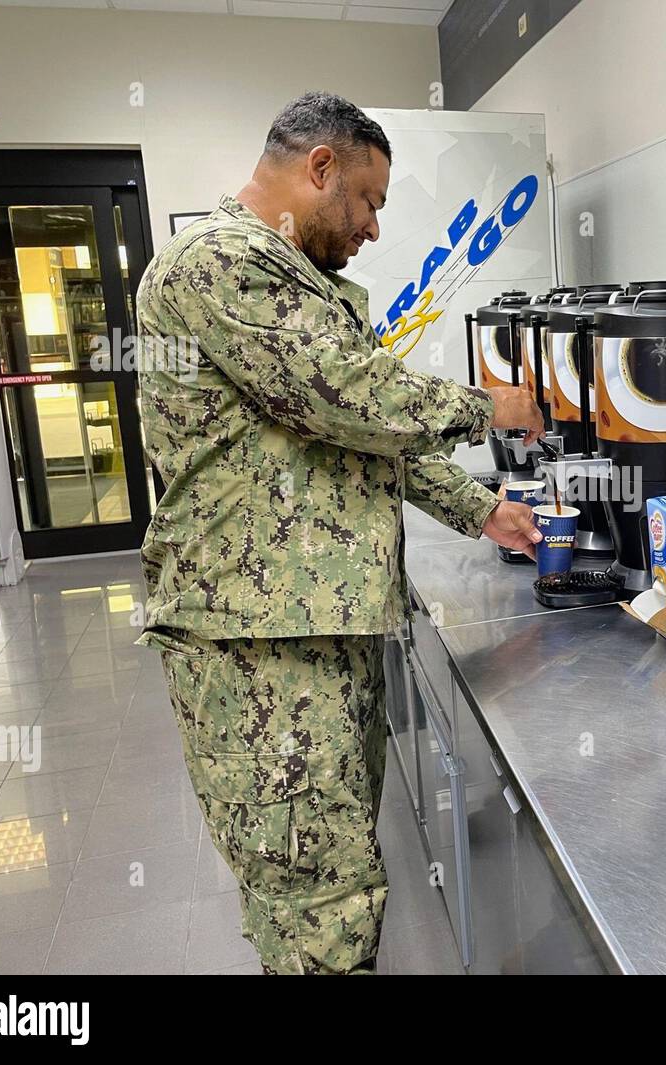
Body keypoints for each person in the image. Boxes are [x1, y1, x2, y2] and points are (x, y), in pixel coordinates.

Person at [134, 91, 545, 974]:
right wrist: (488, 406)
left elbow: (347, 436)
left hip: (311, 632)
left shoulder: (288, 274)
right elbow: (347, 392)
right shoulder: (217, 264)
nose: (369, 228)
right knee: (316, 898)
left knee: (336, 869)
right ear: (320, 168)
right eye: (366, 202)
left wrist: (481, 509)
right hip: (258, 648)